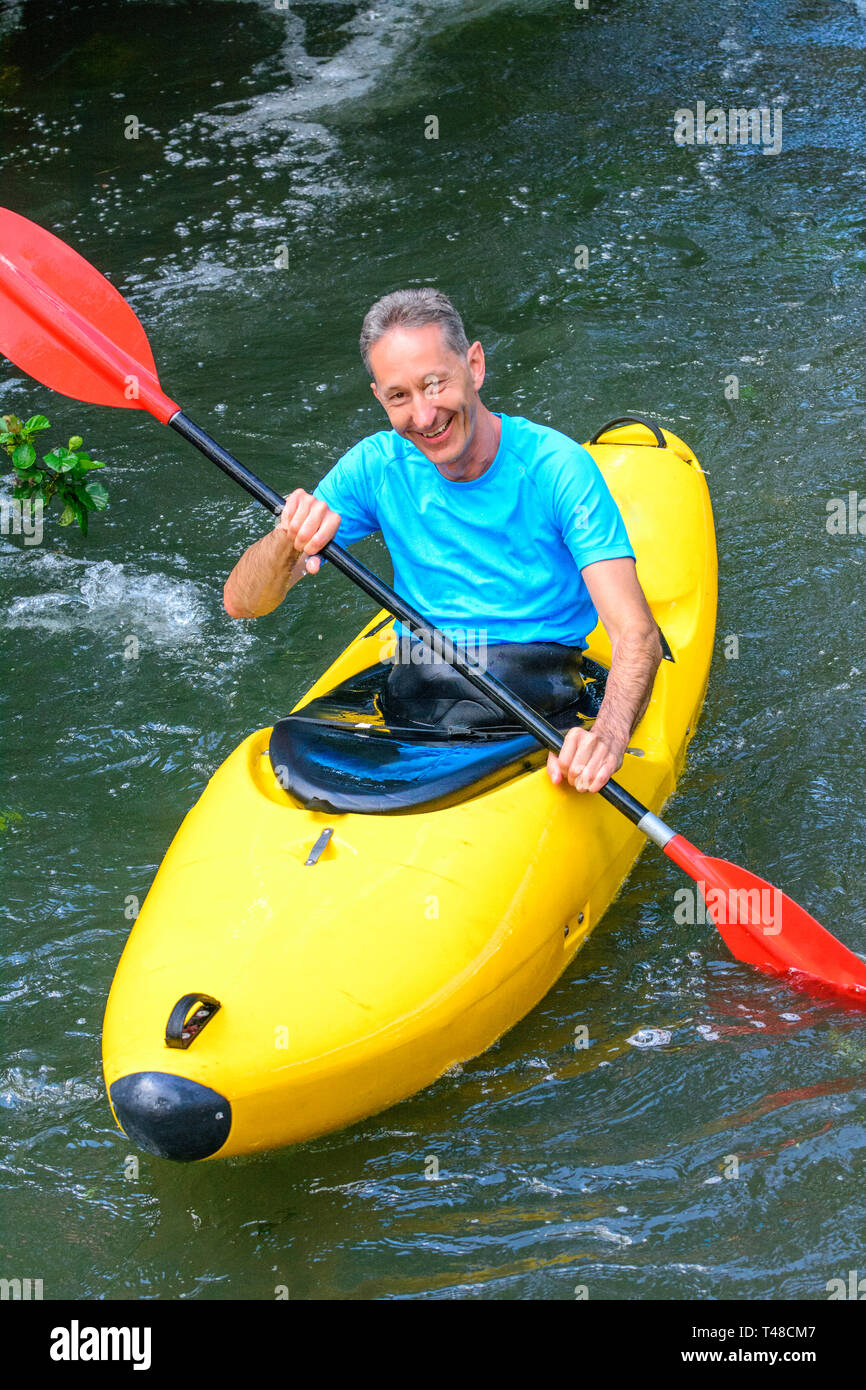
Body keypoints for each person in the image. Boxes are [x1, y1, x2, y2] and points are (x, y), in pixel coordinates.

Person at [224, 289, 662, 794]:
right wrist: (287, 539)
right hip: (416, 696)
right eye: (399, 396)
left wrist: (606, 737)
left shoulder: (556, 468)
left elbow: (637, 635)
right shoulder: (375, 466)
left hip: (535, 696)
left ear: (474, 365)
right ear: (379, 398)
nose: (424, 416)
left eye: (435, 384)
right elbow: (242, 604)